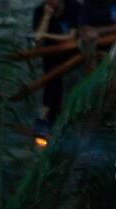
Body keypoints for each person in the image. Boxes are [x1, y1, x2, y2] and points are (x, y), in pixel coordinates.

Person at [31, 0, 81, 130]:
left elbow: (71, 37)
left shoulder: (74, 8)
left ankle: (46, 112)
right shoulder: (40, 11)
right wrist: (46, 17)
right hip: (51, 56)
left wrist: (46, 35)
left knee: (55, 75)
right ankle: (48, 116)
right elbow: (38, 42)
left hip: (74, 55)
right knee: (53, 74)